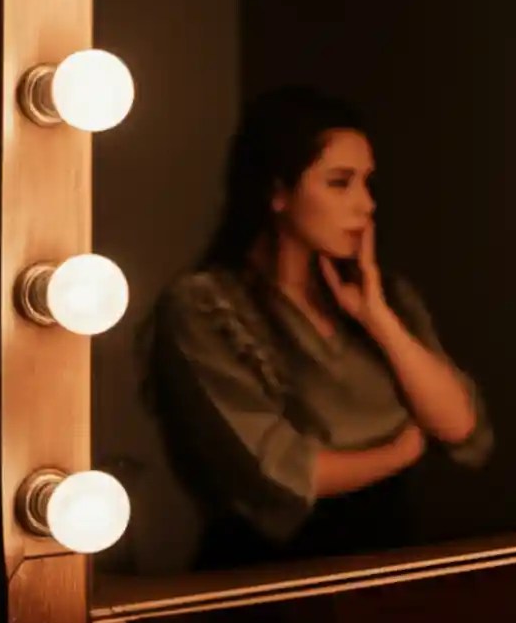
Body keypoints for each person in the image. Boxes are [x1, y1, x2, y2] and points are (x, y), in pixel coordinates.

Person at [144, 85, 492, 569]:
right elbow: (276, 472)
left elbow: (458, 425)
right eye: (339, 182)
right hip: (269, 579)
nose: (366, 204)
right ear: (278, 191)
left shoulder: (384, 296)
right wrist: (400, 452)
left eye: (368, 183)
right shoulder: (207, 307)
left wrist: (379, 319)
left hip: (390, 564)